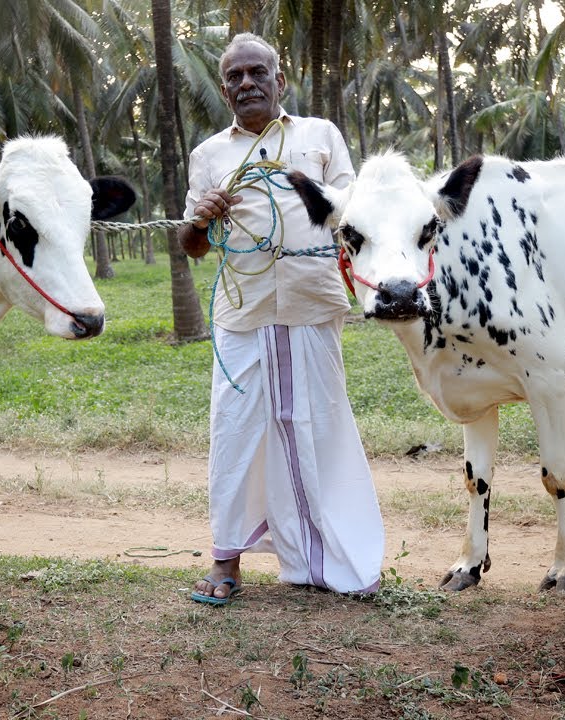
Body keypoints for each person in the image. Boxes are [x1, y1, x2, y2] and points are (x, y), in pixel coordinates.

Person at [179, 33, 384, 605]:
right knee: (237, 431)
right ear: (224, 90)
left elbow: (352, 214)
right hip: (240, 313)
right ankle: (225, 563)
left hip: (312, 304)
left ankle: (333, 561)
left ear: (279, 80)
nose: (247, 84)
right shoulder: (209, 154)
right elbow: (193, 245)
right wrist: (204, 216)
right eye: (235, 77)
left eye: (256, 73)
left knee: (320, 426)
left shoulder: (320, 136)